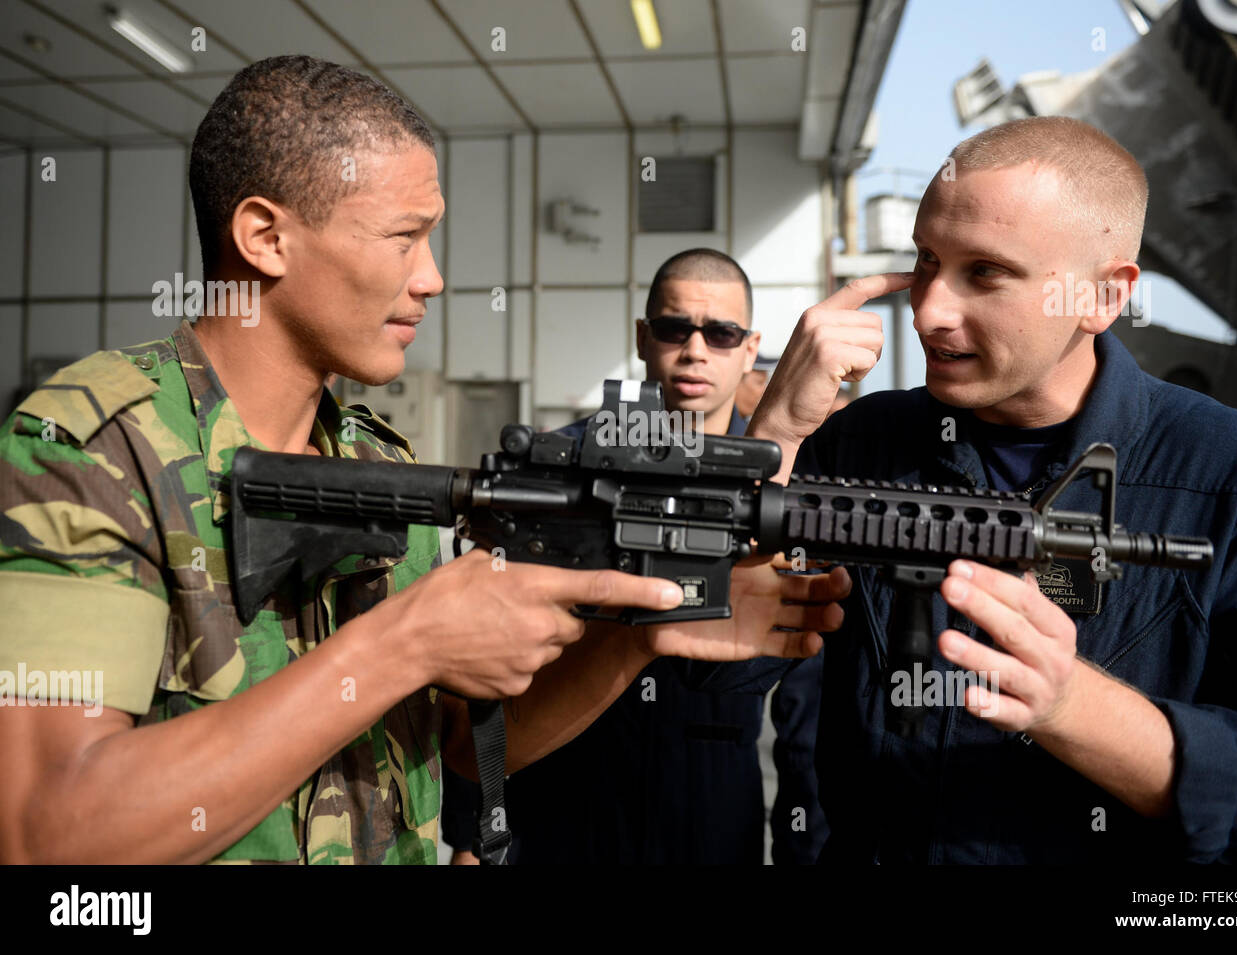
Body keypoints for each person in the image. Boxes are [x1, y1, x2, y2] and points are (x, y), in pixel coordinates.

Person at [0, 56, 850, 865]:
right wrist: (406, 642)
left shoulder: (376, 458)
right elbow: (47, 830)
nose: (434, 278)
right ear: (264, 236)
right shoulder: (88, 447)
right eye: (404, 238)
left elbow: (459, 750)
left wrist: (638, 638)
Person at [732, 115, 1237, 862]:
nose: (930, 310)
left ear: (1103, 297)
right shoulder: (858, 444)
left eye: (986, 273)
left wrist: (1072, 705)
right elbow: (708, 672)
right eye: (926, 260)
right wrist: (775, 436)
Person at [445, 248, 794, 863]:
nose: (694, 350)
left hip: (706, 825)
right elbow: (482, 660)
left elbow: (807, 700)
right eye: (673, 328)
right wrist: (475, 830)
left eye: (720, 333)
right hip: (557, 810)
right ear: (643, 337)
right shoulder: (564, 469)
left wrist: (807, 851)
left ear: (749, 347)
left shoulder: (777, 491)